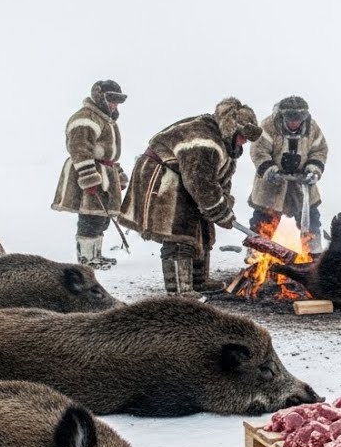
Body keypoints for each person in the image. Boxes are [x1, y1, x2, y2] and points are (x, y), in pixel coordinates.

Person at [119, 96, 262, 298]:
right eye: (242, 136)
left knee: (203, 225)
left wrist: (223, 208)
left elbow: (220, 181)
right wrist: (219, 211)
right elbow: (200, 183)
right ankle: (180, 289)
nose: (244, 142)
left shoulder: (224, 144)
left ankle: (198, 280)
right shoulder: (204, 142)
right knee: (180, 230)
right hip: (163, 176)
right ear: (232, 129)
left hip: (184, 178)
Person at [50, 79, 128, 270]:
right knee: (90, 217)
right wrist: (89, 178)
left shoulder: (104, 119)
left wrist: (118, 175)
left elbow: (109, 155)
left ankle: (96, 255)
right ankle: (86, 259)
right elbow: (80, 150)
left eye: (117, 101)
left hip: (104, 173)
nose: (115, 105)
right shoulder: (85, 118)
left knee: (102, 217)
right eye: (112, 100)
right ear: (100, 96)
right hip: (88, 170)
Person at [247, 95, 328, 252]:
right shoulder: (268, 126)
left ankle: (313, 254)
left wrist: (313, 170)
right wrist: (270, 170)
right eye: (290, 118)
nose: (294, 122)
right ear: (283, 116)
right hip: (272, 185)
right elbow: (258, 151)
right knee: (263, 221)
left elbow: (319, 150)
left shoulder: (312, 128)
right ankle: (256, 255)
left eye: (298, 119)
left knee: (310, 220)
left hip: (302, 183)